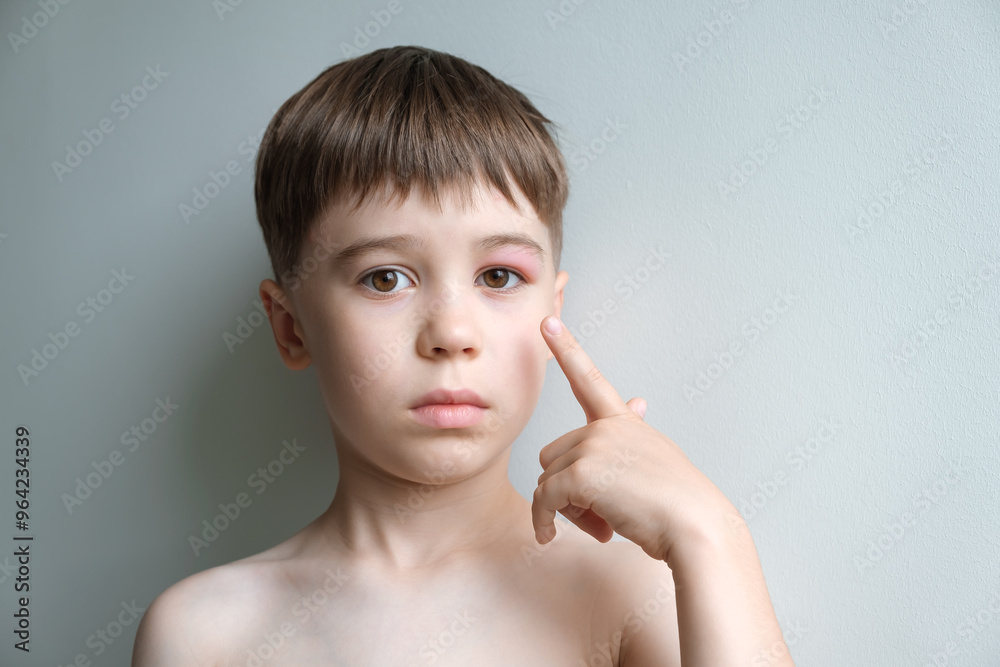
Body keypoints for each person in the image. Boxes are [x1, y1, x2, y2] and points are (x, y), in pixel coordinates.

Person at [132, 45, 794, 666]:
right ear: (291, 327)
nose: (451, 332)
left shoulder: (634, 593)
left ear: (552, 310)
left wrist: (709, 530)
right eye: (385, 277)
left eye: (499, 277)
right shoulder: (203, 632)